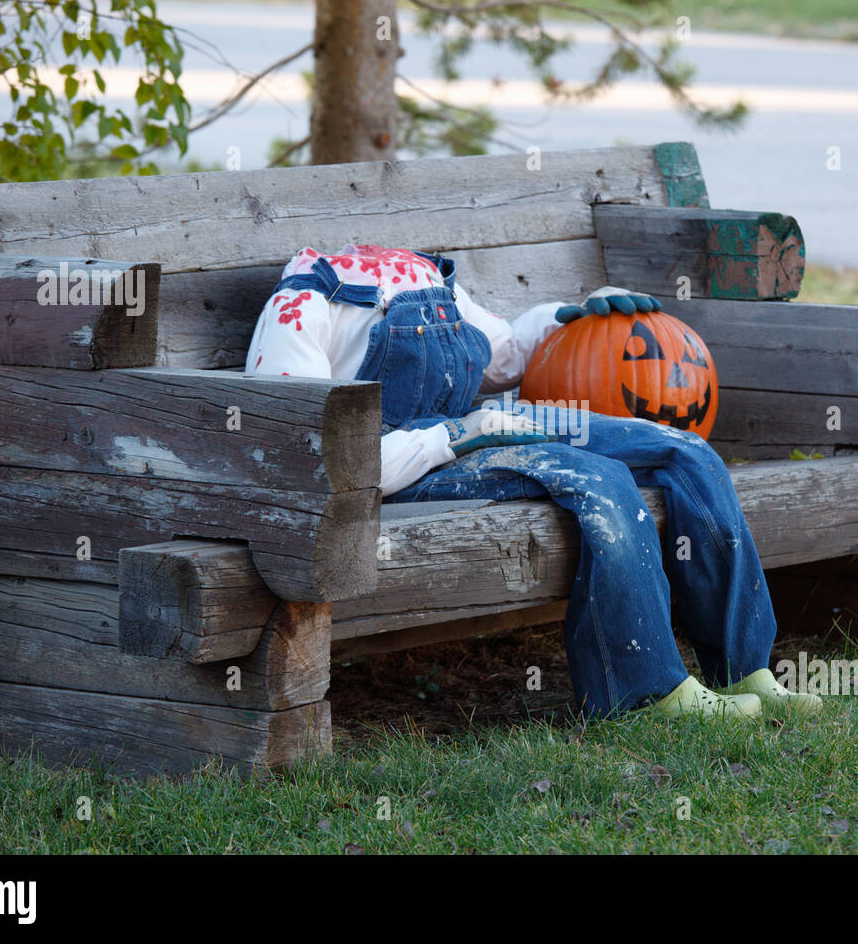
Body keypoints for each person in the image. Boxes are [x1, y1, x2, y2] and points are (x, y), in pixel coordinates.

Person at [246, 243, 821, 722]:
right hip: (407, 463)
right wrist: (452, 436)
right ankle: (644, 690)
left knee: (684, 448)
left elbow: (507, 357)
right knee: (600, 480)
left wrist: (578, 317)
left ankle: (746, 666)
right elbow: (313, 459)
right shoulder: (301, 307)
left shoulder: (423, 279)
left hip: (480, 427)